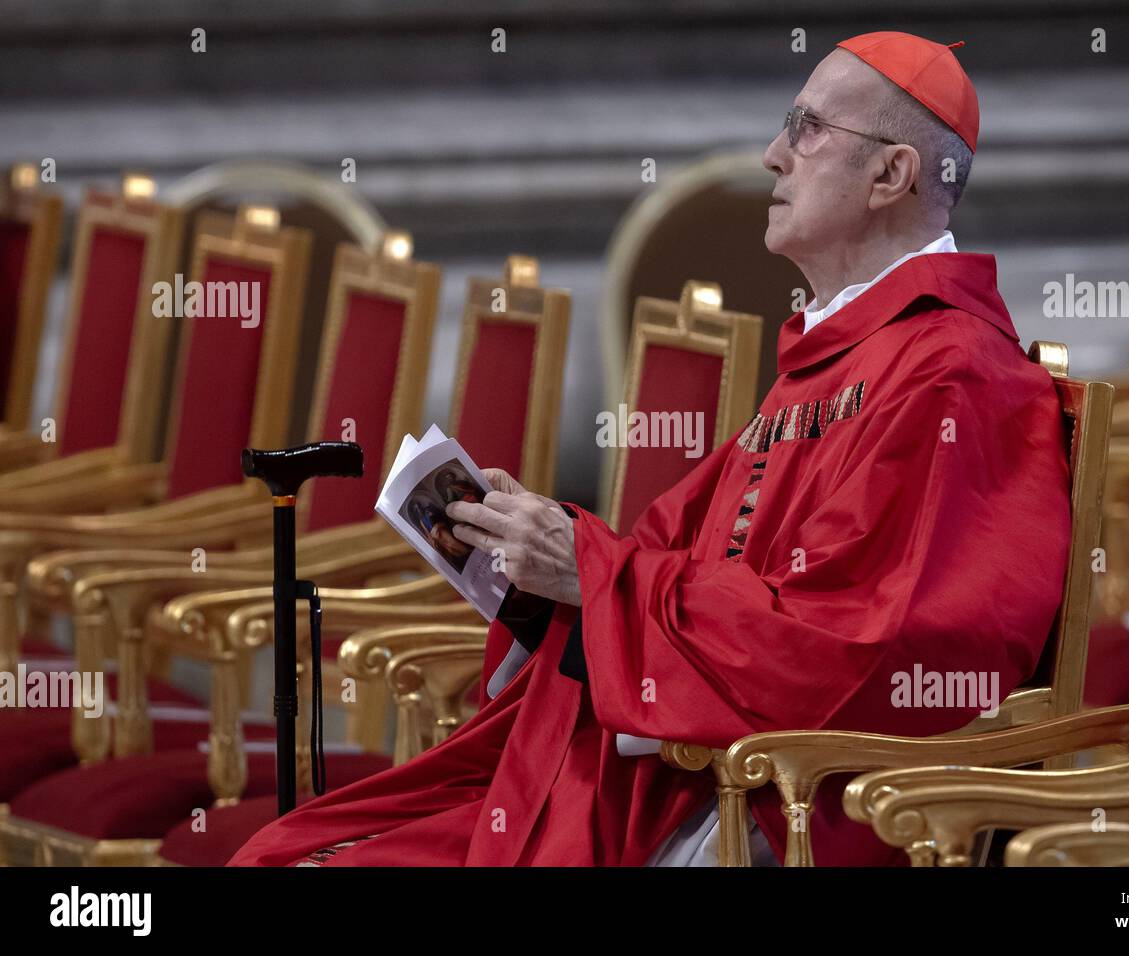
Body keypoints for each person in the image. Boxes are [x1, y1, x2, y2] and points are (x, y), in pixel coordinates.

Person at [231, 31, 1071, 867]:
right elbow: (674, 552)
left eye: (809, 127)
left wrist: (590, 575)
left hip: (788, 801)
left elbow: (866, 650)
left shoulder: (952, 376)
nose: (775, 154)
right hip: (675, 765)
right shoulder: (843, 351)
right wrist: (538, 555)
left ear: (891, 174)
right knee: (294, 850)